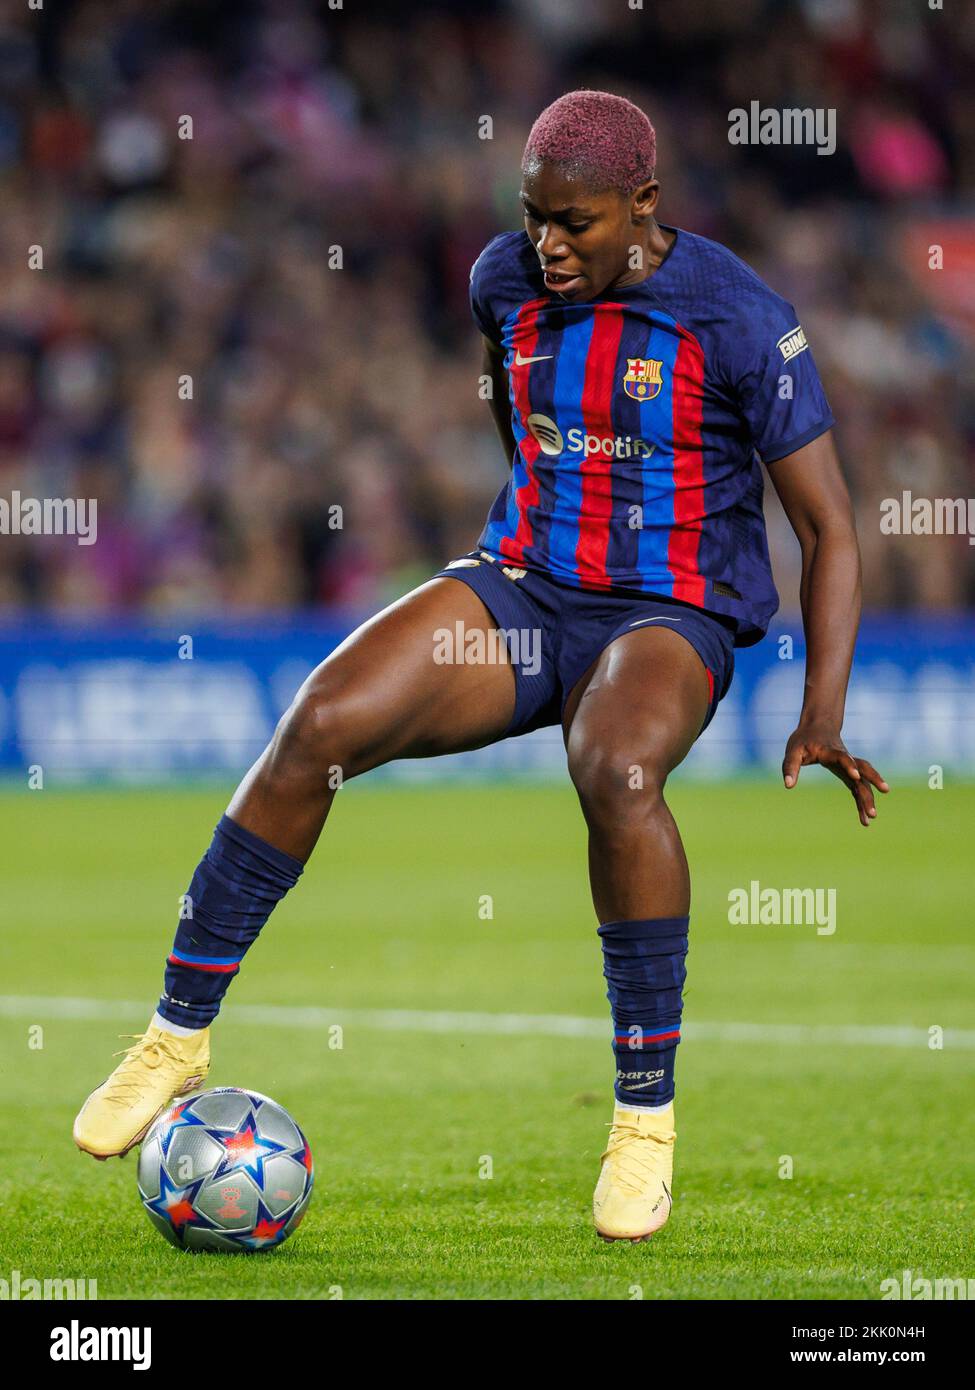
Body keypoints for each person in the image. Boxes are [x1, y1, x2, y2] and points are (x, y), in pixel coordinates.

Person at [74, 89, 888, 1243]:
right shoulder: (498, 283)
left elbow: (833, 527)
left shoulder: (741, 316)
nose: (549, 246)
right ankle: (175, 1034)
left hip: (673, 613)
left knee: (615, 768)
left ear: (643, 205)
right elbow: (532, 436)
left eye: (579, 224)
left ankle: (643, 1120)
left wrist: (822, 711)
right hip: (527, 588)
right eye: (534, 218)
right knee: (320, 721)